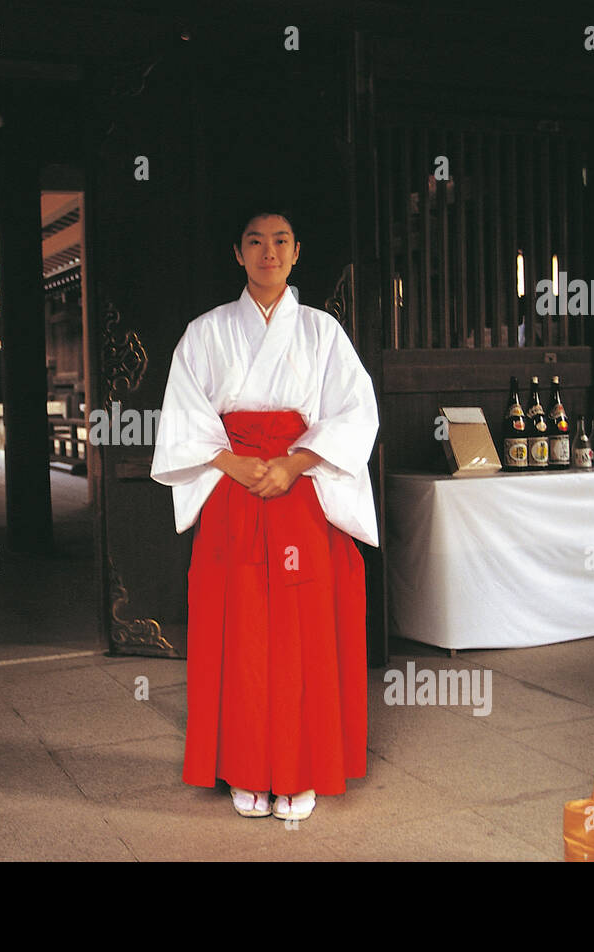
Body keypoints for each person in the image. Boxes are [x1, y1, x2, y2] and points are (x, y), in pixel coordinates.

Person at [150, 208, 380, 821]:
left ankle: (300, 768)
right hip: (233, 492)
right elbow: (183, 416)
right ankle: (246, 769)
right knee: (239, 629)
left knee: (303, 629)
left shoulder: (322, 331)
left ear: (297, 252)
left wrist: (296, 462)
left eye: (280, 241)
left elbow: (356, 412)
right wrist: (230, 463)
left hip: (299, 491)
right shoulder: (206, 332)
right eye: (256, 242)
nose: (268, 252)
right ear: (238, 253)